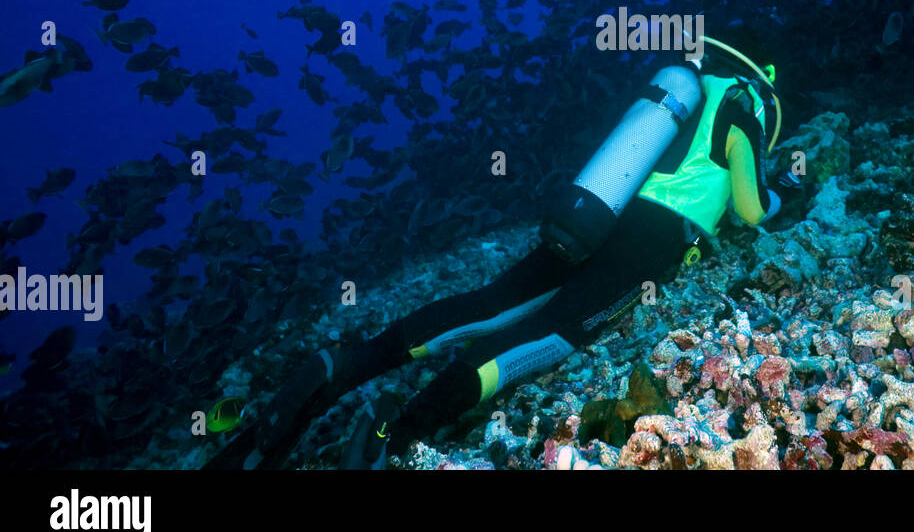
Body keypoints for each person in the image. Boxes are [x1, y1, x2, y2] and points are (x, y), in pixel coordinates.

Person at [206, 29, 801, 469]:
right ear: (762, 76)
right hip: (651, 239)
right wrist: (779, 199)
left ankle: (344, 367)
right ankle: (399, 433)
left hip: (599, 213)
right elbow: (748, 208)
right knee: (548, 336)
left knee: (490, 304)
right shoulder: (742, 104)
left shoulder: (685, 95)